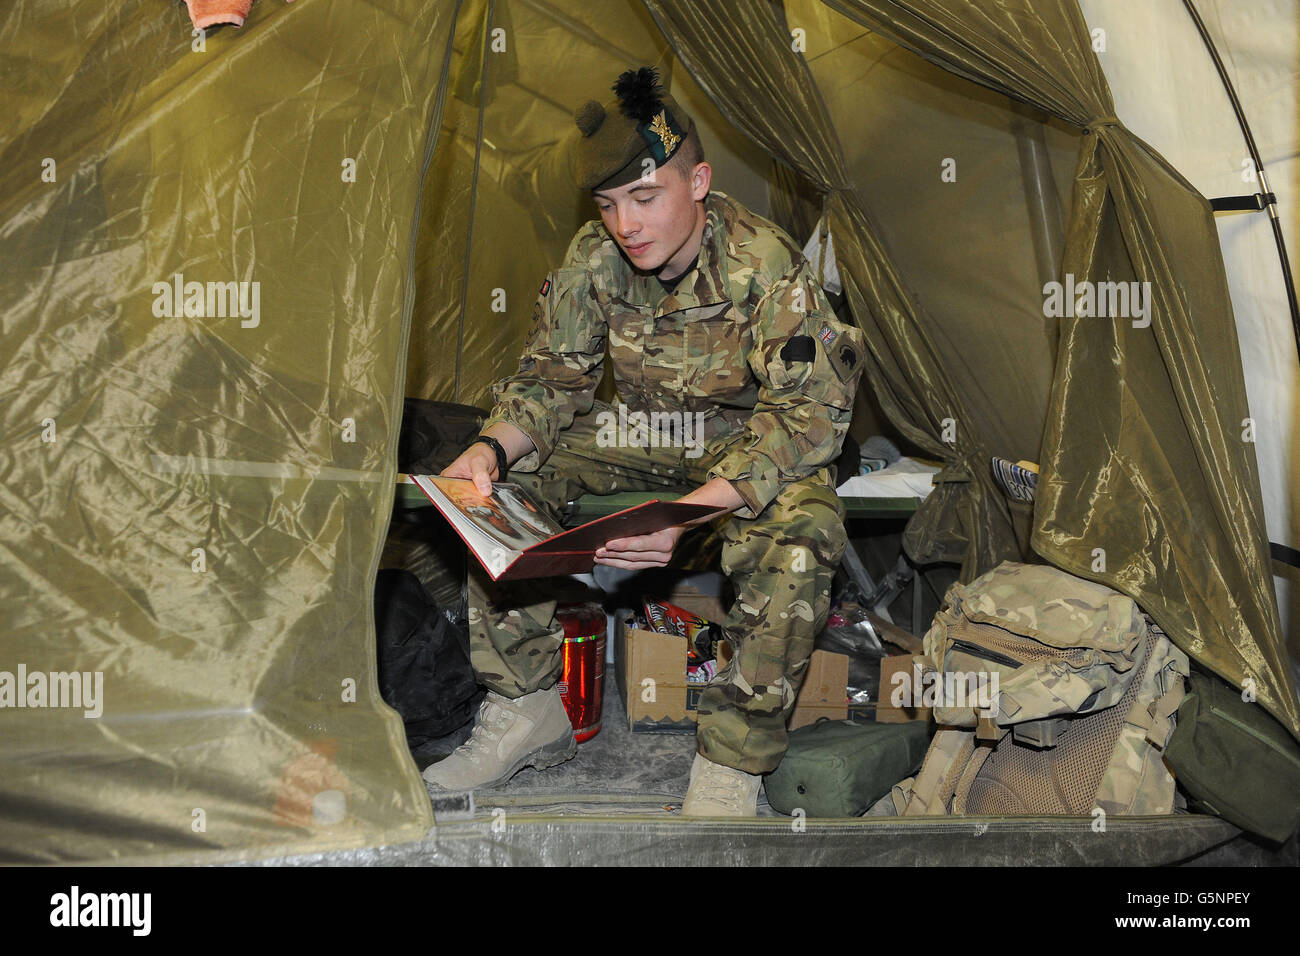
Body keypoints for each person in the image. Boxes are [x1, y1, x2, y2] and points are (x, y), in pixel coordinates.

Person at [424, 67, 865, 816]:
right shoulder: (593, 260)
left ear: (697, 181)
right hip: (644, 436)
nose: (626, 224)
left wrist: (688, 514)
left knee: (802, 530)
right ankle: (527, 708)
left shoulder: (764, 263)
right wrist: (492, 450)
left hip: (744, 447)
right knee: (494, 487)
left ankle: (731, 761)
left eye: (645, 196)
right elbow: (550, 383)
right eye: (608, 204)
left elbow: (810, 415)